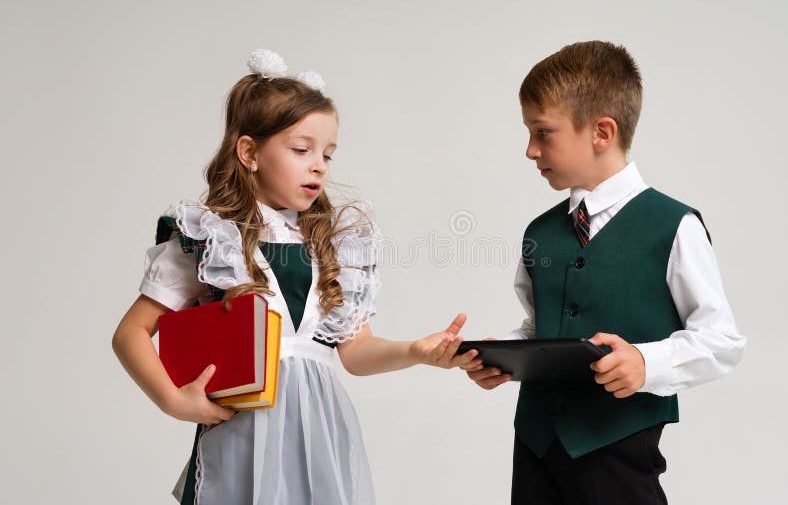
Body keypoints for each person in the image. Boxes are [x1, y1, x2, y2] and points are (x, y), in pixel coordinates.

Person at [112, 49, 477, 505]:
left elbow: (355, 353)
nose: (319, 164)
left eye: (328, 154)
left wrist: (415, 352)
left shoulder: (334, 244)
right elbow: (130, 333)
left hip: (321, 437)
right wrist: (173, 400)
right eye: (302, 150)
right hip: (243, 435)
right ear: (250, 152)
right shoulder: (212, 237)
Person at [461, 40, 746, 504]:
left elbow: (721, 340)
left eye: (542, 132)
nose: (530, 150)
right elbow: (541, 326)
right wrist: (503, 356)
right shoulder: (540, 232)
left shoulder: (673, 226)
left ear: (602, 132)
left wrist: (646, 363)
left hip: (618, 453)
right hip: (535, 450)